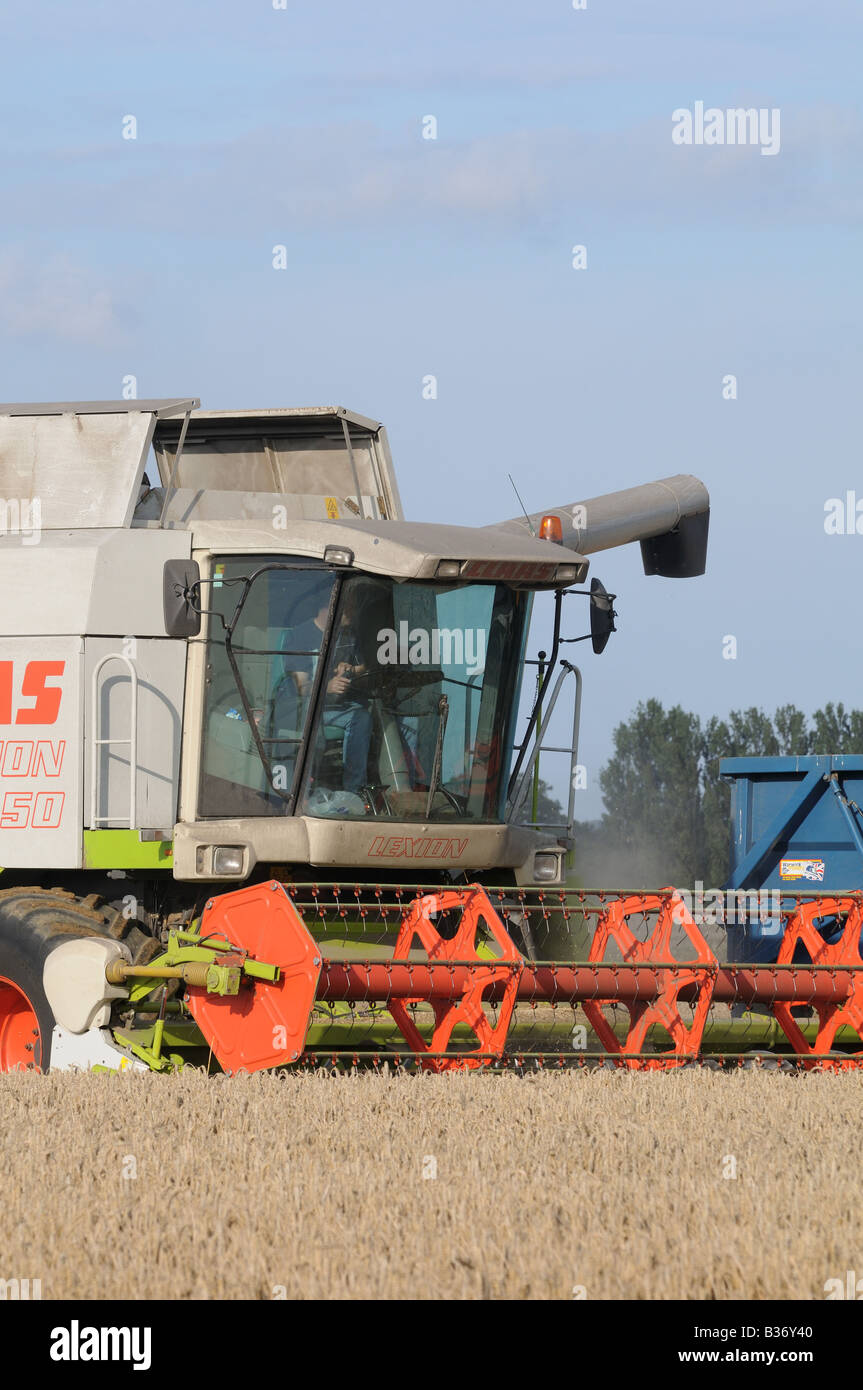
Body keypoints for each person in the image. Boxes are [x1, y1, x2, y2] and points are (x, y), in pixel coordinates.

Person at [277, 592, 372, 796]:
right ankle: (305, 792)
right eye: (350, 608)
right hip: (303, 708)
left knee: (361, 717)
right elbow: (302, 687)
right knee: (314, 728)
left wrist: (349, 669)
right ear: (330, 607)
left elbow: (365, 665)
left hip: (335, 707)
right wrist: (328, 686)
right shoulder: (299, 636)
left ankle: (353, 791)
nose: (353, 614)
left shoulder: (348, 635)